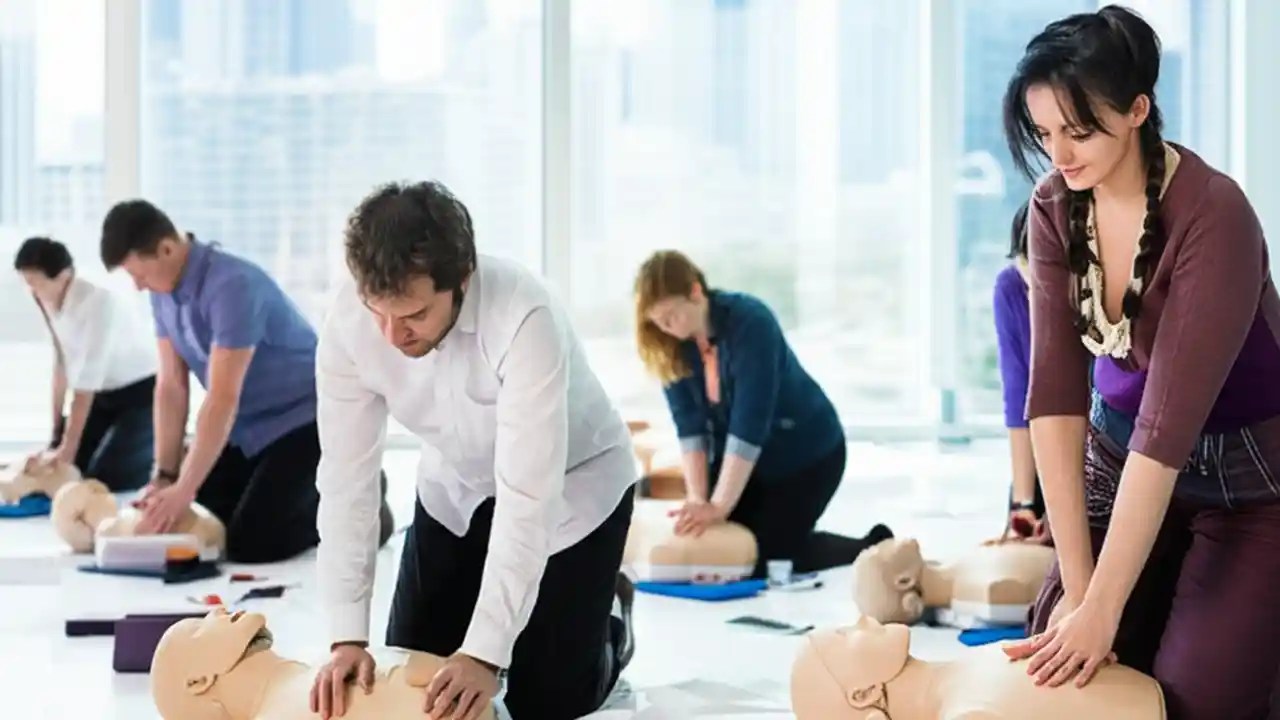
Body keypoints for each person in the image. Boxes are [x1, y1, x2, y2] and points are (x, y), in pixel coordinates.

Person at [999, 6, 1280, 719]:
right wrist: (1082, 594)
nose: (1059, 154)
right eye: (1044, 133)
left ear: (1137, 111)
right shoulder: (1053, 205)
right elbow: (1055, 399)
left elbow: (1166, 430)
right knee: (1060, 648)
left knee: (1197, 696)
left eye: (1078, 130)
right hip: (1117, 455)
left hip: (1249, 482)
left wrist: (1104, 609)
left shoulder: (1215, 213)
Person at [309, 181, 637, 720]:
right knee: (411, 682)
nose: (391, 335)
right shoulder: (348, 323)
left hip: (573, 487)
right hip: (456, 486)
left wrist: (484, 654)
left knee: (543, 701)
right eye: (378, 312)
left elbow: (528, 496)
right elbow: (346, 481)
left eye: (414, 315)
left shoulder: (524, 315)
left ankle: (610, 622)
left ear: (461, 278)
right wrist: (346, 637)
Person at [99, 199, 392, 563]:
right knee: (204, 516)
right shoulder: (162, 294)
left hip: (307, 422)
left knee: (251, 543)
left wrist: (185, 488)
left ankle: (365, 506)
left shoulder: (232, 285)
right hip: (249, 430)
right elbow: (171, 387)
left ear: (167, 249)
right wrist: (165, 477)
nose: (138, 286)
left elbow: (222, 396)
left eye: (139, 275)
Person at [633, 250, 892, 579]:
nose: (667, 328)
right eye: (658, 321)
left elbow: (749, 424)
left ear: (696, 292)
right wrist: (699, 500)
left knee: (764, 558)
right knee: (719, 545)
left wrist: (720, 505)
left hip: (807, 455)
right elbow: (690, 429)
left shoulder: (751, 322)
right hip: (746, 462)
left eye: (671, 316)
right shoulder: (673, 345)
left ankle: (871, 547)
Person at [14, 237, 156, 491]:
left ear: (64, 275)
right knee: (70, 469)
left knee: (104, 479)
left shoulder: (98, 302)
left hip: (142, 394)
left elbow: (85, 384)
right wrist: (56, 435)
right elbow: (61, 363)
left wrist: (68, 448)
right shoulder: (43, 297)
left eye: (36, 282)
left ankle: (172, 451)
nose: (31, 290)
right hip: (102, 395)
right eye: (27, 282)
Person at [992, 203, 1048, 540]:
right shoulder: (1011, 286)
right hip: (1046, 452)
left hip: (1108, 454)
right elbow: (1018, 393)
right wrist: (1023, 504)